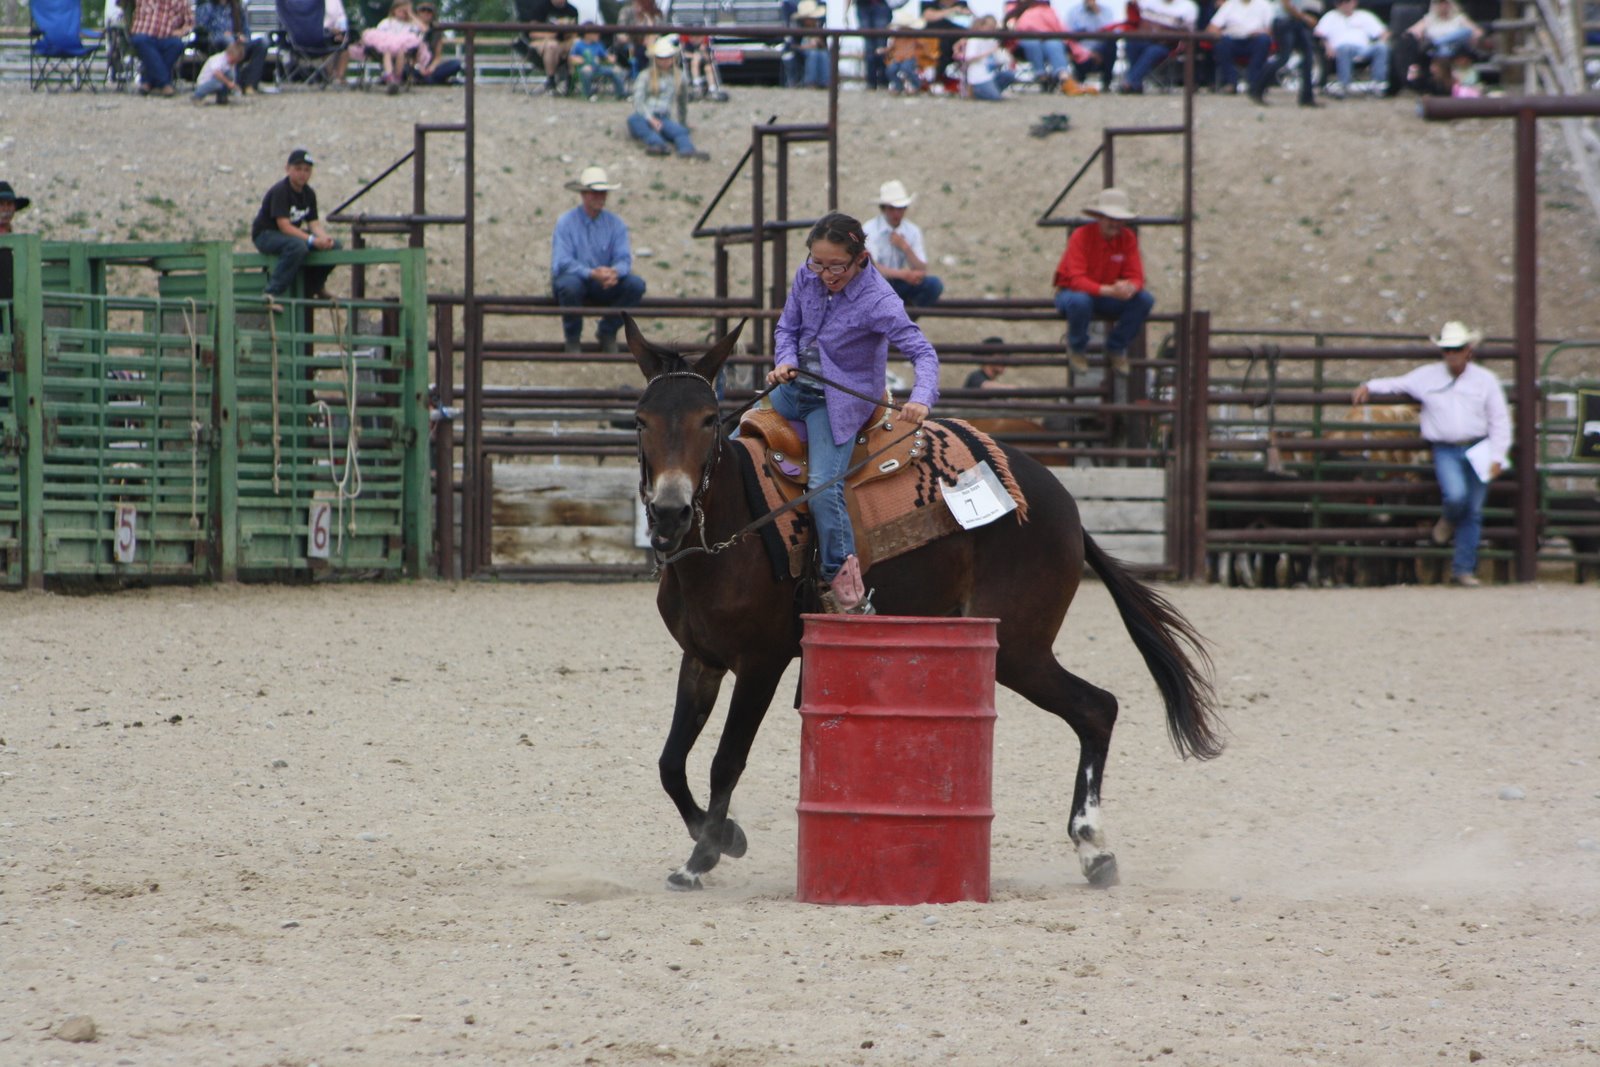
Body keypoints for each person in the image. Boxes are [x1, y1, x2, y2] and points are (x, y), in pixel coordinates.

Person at [766, 212, 941, 614]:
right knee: (734, 443)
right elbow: (786, 328)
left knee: (825, 487)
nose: (825, 274)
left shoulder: (880, 301)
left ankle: (843, 582)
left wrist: (921, 397)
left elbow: (922, 352)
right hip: (790, 389)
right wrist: (785, 359)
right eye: (817, 262)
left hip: (836, 402)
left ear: (860, 257)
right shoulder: (806, 274)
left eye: (835, 266)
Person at [1352, 321, 1511, 586]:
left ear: (1468, 350)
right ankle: (1448, 524)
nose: (1451, 354)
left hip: (1478, 447)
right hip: (1446, 447)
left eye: (1456, 349)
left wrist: (1498, 455)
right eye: (1447, 349)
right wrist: (1369, 386)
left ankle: (1462, 569)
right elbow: (1396, 384)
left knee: (1472, 510)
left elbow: (1499, 419)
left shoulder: (1485, 381)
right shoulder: (1428, 377)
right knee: (1457, 496)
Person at [1053, 187, 1152, 376]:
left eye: (1119, 219)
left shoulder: (1127, 238)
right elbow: (1075, 280)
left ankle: (1116, 347)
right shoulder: (1081, 236)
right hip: (1072, 293)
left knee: (1144, 299)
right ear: (1100, 217)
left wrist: (1129, 288)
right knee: (1080, 301)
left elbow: (1137, 276)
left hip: (1104, 295)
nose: (1115, 223)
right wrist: (1112, 290)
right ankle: (1077, 348)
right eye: (1110, 218)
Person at [550, 166, 646, 355]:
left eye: (603, 193)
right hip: (577, 280)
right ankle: (573, 337)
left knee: (636, 285)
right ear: (584, 194)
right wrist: (593, 273)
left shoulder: (615, 224)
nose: (600, 197)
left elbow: (624, 259)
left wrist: (614, 272)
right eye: (595, 193)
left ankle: (607, 330)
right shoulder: (565, 222)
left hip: (599, 281)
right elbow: (561, 262)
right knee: (570, 286)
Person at [251, 148, 342, 310]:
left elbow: (313, 224)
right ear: (288, 169)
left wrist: (324, 239)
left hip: (288, 235)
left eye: (307, 170)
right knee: (297, 246)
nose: (302, 174)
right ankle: (271, 293)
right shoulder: (281, 190)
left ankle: (316, 287)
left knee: (335, 246)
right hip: (266, 234)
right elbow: (284, 226)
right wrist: (312, 240)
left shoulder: (309, 194)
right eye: (298, 169)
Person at [863, 180, 943, 307]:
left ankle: (904, 318)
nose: (896, 213)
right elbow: (870, 267)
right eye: (892, 209)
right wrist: (904, 274)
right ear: (884, 209)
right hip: (877, 284)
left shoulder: (912, 231)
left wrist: (905, 247)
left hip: (899, 283)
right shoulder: (870, 230)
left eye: (900, 209)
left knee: (934, 285)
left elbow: (921, 268)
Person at [628, 37, 710, 160]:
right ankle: (658, 144)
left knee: (681, 132)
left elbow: (682, 102)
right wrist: (650, 118)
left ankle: (686, 150)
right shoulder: (645, 75)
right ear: (656, 59)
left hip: (663, 116)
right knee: (634, 120)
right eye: (661, 58)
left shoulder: (679, 76)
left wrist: (683, 122)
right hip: (644, 115)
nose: (665, 61)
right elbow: (638, 100)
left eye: (668, 58)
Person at [193, 0, 273, 95]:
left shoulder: (236, 7)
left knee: (263, 43)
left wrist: (243, 37)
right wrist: (221, 34)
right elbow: (201, 29)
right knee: (229, 40)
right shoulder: (207, 7)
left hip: (238, 41)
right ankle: (234, 84)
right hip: (216, 43)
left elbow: (246, 30)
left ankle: (250, 85)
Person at [1119, 0, 1198, 93]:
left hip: (1167, 45)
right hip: (1145, 39)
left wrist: (1166, 33)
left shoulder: (1188, 6)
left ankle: (1130, 82)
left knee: (1154, 51)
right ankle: (1135, 83)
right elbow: (1131, 7)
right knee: (1132, 43)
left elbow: (1188, 32)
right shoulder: (1148, 2)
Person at [1206, 0, 1277, 102]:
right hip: (1233, 39)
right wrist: (1218, 32)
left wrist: (1261, 32)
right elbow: (1212, 27)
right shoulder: (1230, 4)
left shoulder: (1264, 4)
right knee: (1221, 44)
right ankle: (1231, 82)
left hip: (1255, 40)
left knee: (1264, 41)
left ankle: (1255, 83)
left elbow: (1271, 28)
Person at [1315, 0, 1389, 97]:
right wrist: (1327, 47)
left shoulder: (1365, 16)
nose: (1344, 5)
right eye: (1340, 2)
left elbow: (1383, 32)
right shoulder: (1330, 16)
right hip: (1340, 50)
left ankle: (1378, 85)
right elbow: (1319, 35)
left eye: (1347, 2)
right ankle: (1344, 85)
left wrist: (1382, 41)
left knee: (1381, 47)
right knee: (1345, 48)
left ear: (1354, 2)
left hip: (1364, 49)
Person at [1405, 0, 1480, 93]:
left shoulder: (1459, 18)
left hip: (1455, 48)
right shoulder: (1429, 19)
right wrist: (1418, 36)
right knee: (1437, 48)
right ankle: (1437, 43)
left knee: (1465, 32)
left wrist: (1473, 39)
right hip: (1435, 51)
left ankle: (1438, 42)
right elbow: (1410, 32)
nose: (1443, 6)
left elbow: (1477, 32)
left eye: (1445, 3)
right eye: (1440, 3)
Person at [1004, 0, 1075, 93]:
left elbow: (1057, 26)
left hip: (1048, 38)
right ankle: (1041, 76)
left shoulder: (1046, 7)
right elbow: (1011, 25)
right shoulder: (1013, 7)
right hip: (1024, 42)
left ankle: (1062, 75)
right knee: (1032, 42)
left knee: (1054, 43)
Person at [1261, 0, 1323, 107]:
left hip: (1296, 21)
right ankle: (1257, 87)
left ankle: (1307, 96)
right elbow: (1286, 5)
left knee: (1308, 55)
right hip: (1284, 22)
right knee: (1284, 57)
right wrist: (1306, 18)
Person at [361, 0, 430, 93]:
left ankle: (397, 77)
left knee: (401, 51)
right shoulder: (387, 22)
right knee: (387, 50)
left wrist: (411, 15)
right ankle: (390, 76)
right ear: (394, 10)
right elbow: (378, 34)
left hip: (404, 48)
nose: (402, 13)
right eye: (400, 10)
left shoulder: (411, 24)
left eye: (405, 11)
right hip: (385, 47)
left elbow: (424, 29)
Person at [129, 0, 195, 96]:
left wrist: (181, 31)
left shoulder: (182, 2)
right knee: (140, 40)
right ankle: (164, 84)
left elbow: (190, 24)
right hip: (144, 35)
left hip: (167, 37)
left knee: (177, 44)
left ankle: (148, 82)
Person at [524, 0, 581, 93]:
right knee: (552, 45)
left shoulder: (572, 10)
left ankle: (571, 80)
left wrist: (567, 30)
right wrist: (551, 34)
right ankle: (551, 80)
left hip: (564, 43)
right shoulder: (540, 7)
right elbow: (532, 33)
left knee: (577, 43)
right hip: (542, 41)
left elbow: (574, 34)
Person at [1063, 0, 1118, 92]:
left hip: (1102, 53)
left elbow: (1111, 30)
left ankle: (1107, 81)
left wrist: (1097, 13)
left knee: (1111, 42)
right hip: (1081, 55)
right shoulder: (1073, 12)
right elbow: (1067, 38)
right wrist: (1087, 53)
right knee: (1070, 46)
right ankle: (1078, 79)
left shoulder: (1106, 11)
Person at [959, 15, 1016, 99]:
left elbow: (1000, 58)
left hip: (991, 74)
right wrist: (988, 53)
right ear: (982, 26)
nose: (991, 29)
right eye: (989, 27)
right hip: (979, 77)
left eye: (993, 27)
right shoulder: (974, 40)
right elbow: (969, 59)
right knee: (995, 98)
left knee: (1009, 75)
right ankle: (976, 92)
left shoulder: (993, 40)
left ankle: (993, 91)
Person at [413, 2, 464, 84]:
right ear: (417, 13)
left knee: (456, 64)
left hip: (431, 67)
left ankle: (427, 80)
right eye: (423, 10)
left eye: (429, 11)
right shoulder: (411, 29)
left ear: (433, 15)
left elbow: (438, 56)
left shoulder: (437, 32)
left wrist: (431, 68)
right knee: (406, 69)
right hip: (414, 66)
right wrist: (419, 67)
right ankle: (434, 81)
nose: (426, 13)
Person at [571, 22, 626, 97]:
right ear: (588, 34)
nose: (598, 34)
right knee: (586, 71)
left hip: (597, 68)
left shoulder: (598, 44)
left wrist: (610, 58)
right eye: (596, 32)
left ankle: (621, 94)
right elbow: (572, 58)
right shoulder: (578, 44)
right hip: (583, 67)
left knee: (616, 71)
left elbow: (605, 57)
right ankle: (588, 94)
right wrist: (581, 61)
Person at [880, 5, 924, 93]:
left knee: (906, 68)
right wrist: (884, 50)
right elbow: (892, 47)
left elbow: (921, 46)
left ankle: (916, 85)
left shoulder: (914, 37)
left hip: (909, 57)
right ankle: (898, 85)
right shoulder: (897, 37)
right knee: (890, 70)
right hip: (898, 58)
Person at [192, 39, 247, 103]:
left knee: (228, 76)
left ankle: (222, 98)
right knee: (219, 84)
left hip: (216, 81)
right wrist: (229, 83)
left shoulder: (229, 64)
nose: (234, 63)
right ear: (230, 55)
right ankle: (197, 96)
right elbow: (216, 73)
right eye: (234, 60)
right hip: (206, 82)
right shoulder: (219, 59)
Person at [790, 0, 830, 88]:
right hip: (803, 51)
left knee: (823, 54)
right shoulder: (798, 31)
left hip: (818, 50)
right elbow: (793, 46)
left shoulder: (820, 30)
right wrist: (808, 46)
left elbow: (825, 47)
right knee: (813, 54)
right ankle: (811, 82)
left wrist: (819, 42)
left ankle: (826, 82)